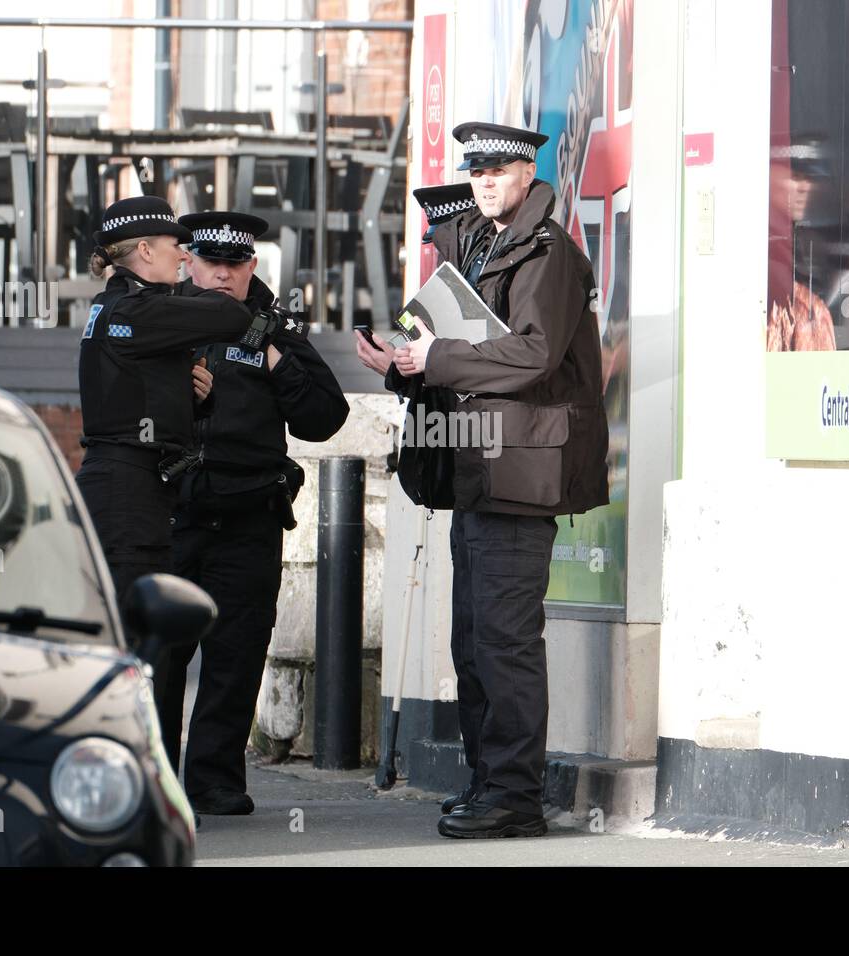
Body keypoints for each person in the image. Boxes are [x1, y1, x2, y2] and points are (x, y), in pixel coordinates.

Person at [355, 122, 609, 838]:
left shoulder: (548, 252)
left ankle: (514, 798)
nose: (485, 181)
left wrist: (435, 360)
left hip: (522, 470)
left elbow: (531, 354)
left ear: (528, 173)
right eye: (476, 171)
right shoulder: (484, 244)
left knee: (503, 639)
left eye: (498, 170)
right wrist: (405, 365)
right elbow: (464, 351)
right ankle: (487, 782)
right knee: (473, 639)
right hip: (481, 466)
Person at [161, 211, 349, 815]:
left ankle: (215, 780)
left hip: (248, 518)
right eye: (211, 263)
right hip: (174, 515)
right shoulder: (159, 319)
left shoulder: (274, 328)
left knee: (236, 655)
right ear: (188, 261)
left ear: (251, 268)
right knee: (160, 657)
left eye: (234, 265)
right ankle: (154, 778)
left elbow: (325, 415)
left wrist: (275, 362)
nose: (221, 276)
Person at [76, 195, 256, 771]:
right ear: (145, 250)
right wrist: (213, 289)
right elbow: (231, 317)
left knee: (137, 640)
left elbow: (136, 397)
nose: (186, 259)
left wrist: (188, 397)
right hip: (126, 494)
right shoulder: (139, 310)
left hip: (134, 487)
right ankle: (129, 780)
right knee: (136, 643)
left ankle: (135, 776)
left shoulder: (127, 310)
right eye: (178, 248)